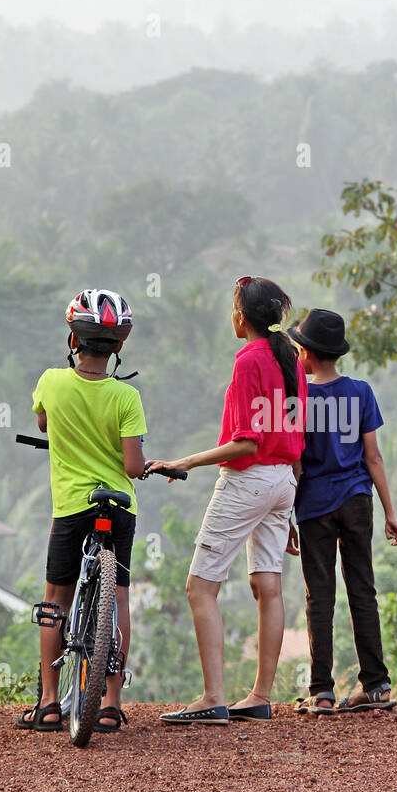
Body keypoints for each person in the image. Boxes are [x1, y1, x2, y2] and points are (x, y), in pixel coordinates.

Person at [145, 276, 306, 725]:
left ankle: (212, 697)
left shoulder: (248, 362)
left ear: (241, 317)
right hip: (283, 482)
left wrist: (186, 461)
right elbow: (294, 436)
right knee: (267, 585)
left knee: (201, 586)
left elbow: (245, 444)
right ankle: (260, 695)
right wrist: (288, 505)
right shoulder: (291, 360)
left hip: (248, 481)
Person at [17, 289, 146, 732]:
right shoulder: (127, 398)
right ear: (119, 346)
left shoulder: (52, 382)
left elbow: (44, 423)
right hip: (120, 507)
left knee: (56, 597)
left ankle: (50, 703)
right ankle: (110, 703)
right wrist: (144, 466)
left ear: (73, 340)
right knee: (120, 598)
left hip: (73, 507)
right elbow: (132, 465)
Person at [285, 308, 397, 715]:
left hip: (314, 505)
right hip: (358, 501)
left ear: (306, 353)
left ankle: (321, 692)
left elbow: (296, 463)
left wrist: (286, 517)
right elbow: (374, 458)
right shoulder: (361, 392)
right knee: (362, 591)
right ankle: (377, 686)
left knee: (319, 597)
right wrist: (390, 512)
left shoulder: (300, 398)